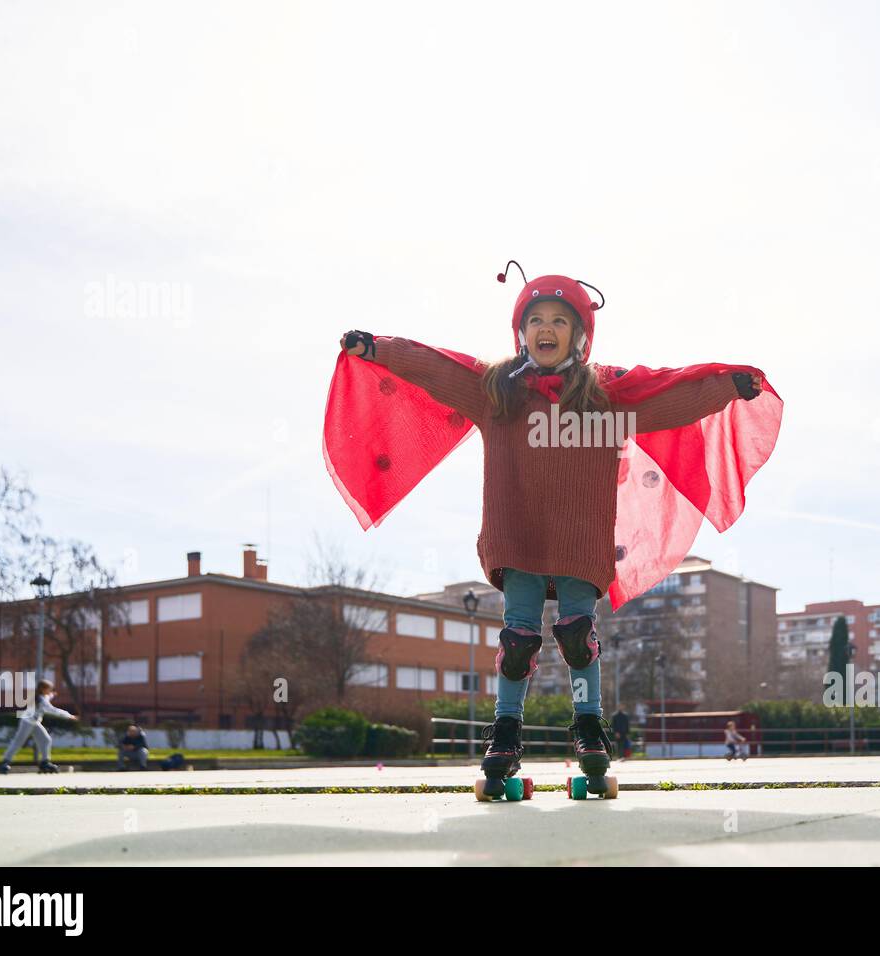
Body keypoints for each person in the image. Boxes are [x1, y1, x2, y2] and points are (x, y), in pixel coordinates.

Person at [328, 263, 779, 797]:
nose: (546, 328)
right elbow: (436, 367)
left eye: (559, 321)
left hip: (580, 541)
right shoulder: (495, 391)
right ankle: (505, 735)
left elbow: (666, 396)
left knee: (575, 635)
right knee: (518, 640)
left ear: (580, 335)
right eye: (535, 319)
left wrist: (727, 387)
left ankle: (589, 729)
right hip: (516, 536)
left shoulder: (604, 396)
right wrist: (378, 349)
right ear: (520, 333)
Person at [0, 679, 78, 774]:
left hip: (35, 722)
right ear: (43, 689)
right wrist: (69, 715)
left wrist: (52, 695)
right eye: (49, 689)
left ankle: (45, 762)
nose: (50, 691)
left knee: (46, 740)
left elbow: (48, 697)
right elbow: (52, 710)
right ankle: (5, 762)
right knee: (18, 742)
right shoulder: (41, 700)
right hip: (27, 722)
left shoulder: (43, 696)